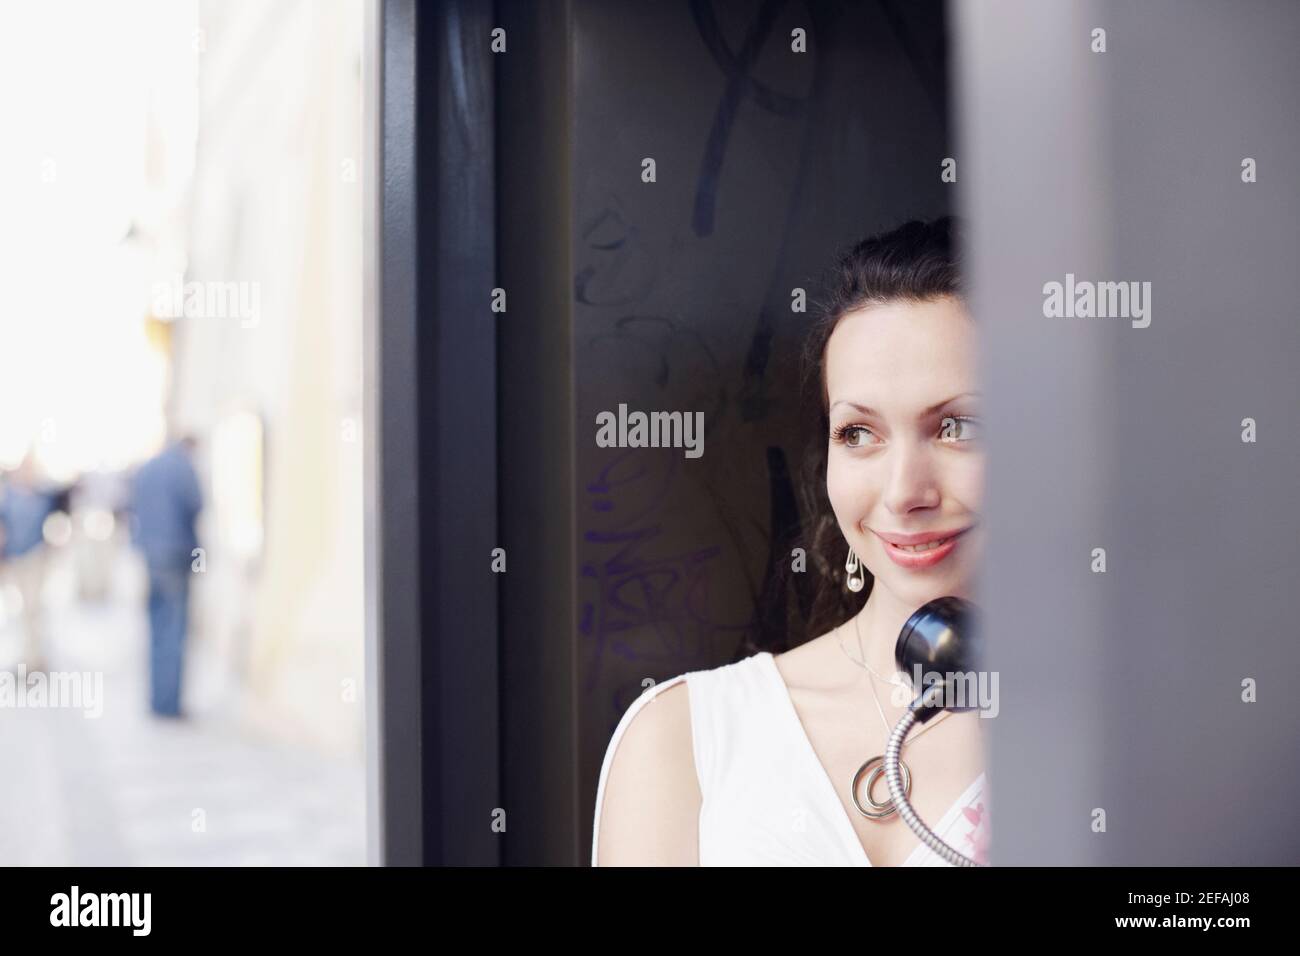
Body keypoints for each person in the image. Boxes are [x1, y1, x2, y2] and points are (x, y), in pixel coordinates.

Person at [592, 217, 990, 866]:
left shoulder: (1131, 735)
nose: (902, 493)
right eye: (859, 433)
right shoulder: (683, 735)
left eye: (956, 426)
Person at [129, 436, 202, 717]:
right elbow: (196, 504)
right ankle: (170, 704)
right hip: (176, 553)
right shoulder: (183, 467)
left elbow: (134, 507)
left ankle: (157, 701)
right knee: (174, 628)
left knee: (157, 627)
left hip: (151, 555)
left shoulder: (148, 468)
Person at [0, 454, 59, 671]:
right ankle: (28, 655)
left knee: (34, 609)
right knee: (22, 611)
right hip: (16, 559)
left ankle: (34, 657)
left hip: (35, 558)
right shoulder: (9, 498)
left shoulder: (41, 496)